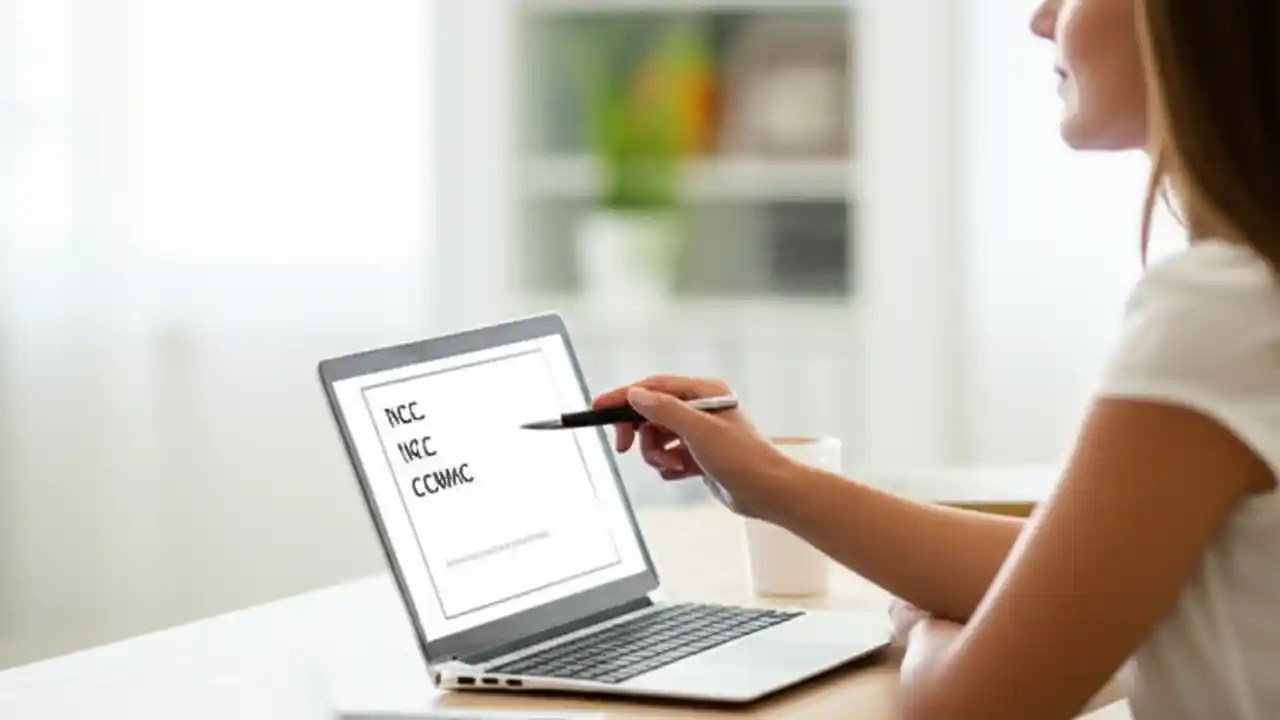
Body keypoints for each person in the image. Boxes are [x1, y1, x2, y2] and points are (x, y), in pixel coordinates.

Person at [592, 1, 1280, 718]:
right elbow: (1082, 569)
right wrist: (770, 481)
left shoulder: (1218, 311)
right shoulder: (1250, 289)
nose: (1041, 17)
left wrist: (927, 629)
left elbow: (968, 709)